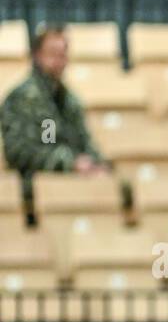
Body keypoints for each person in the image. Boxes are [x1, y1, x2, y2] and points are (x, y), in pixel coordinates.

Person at [0, 24, 110, 202]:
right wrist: (69, 163)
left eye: (63, 53)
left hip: (74, 186)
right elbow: (18, 153)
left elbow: (85, 141)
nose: (60, 60)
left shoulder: (69, 101)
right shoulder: (22, 99)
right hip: (34, 190)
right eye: (53, 53)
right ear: (37, 55)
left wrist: (96, 165)